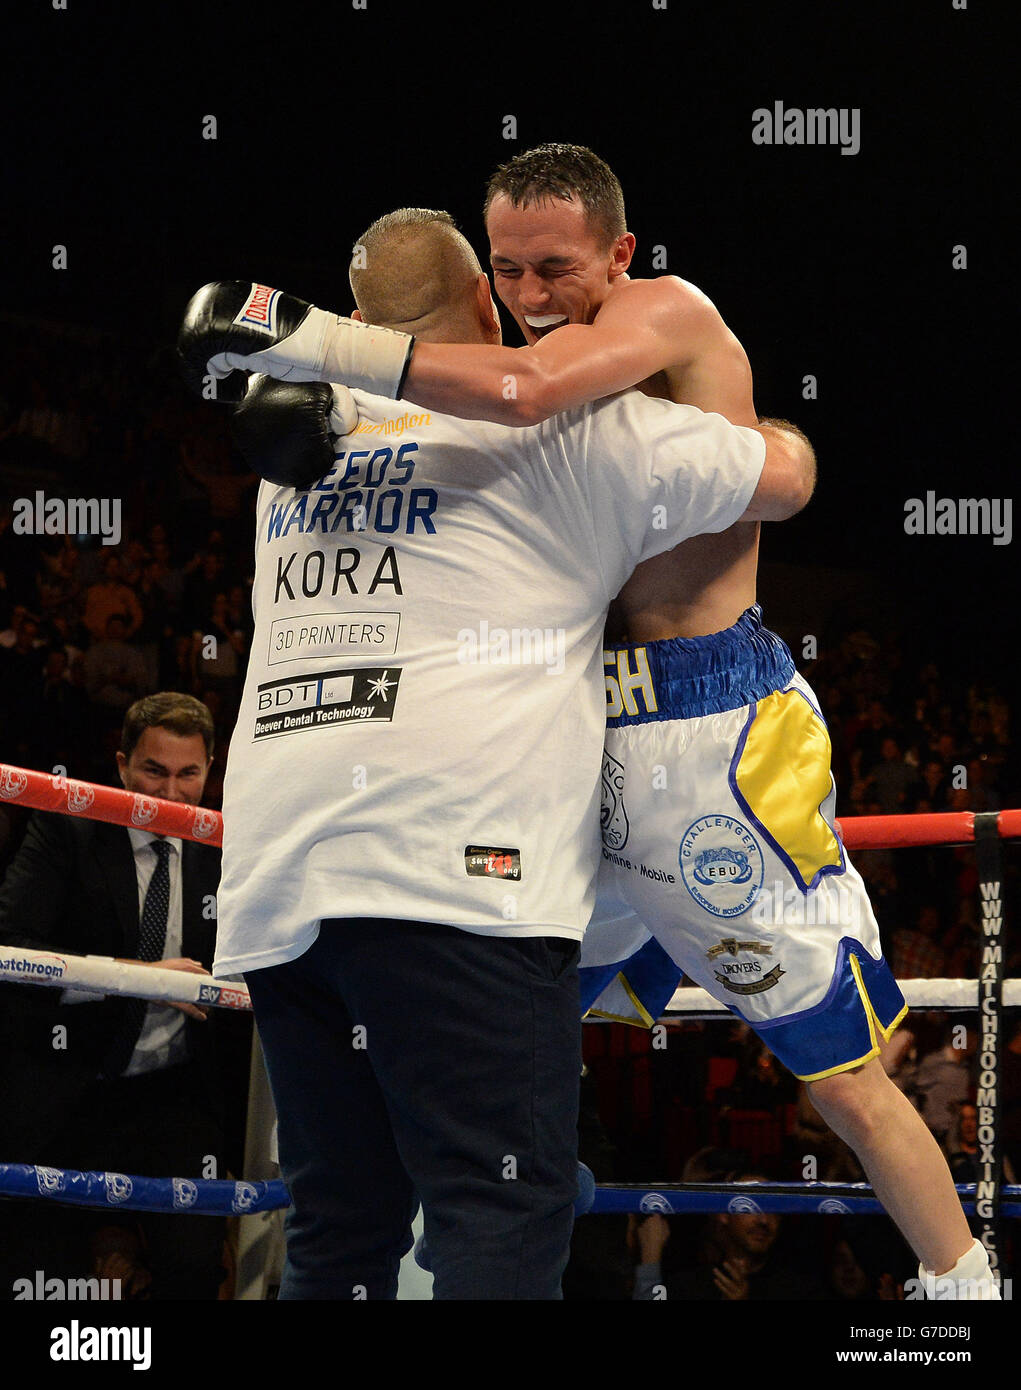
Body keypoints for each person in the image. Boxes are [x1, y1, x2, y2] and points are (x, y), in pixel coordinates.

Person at [181, 143, 1001, 1299]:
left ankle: (962, 1289)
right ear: (483, 281)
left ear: (619, 254)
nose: (530, 295)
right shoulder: (479, 389)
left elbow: (598, 412)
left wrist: (294, 340)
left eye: (554, 268)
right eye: (508, 270)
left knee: (835, 1066)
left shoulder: (645, 323)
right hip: (577, 735)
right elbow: (472, 391)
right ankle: (521, 1204)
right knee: (509, 1024)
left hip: (709, 731)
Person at [0, 692, 242, 1300]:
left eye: (188, 774)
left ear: (210, 770)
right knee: (41, 1275)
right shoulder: (68, 826)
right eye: (154, 771)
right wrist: (141, 976)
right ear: (122, 765)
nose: (170, 793)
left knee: (193, 1266)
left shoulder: (226, 847)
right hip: (68, 1079)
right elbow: (12, 945)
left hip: (174, 1093)